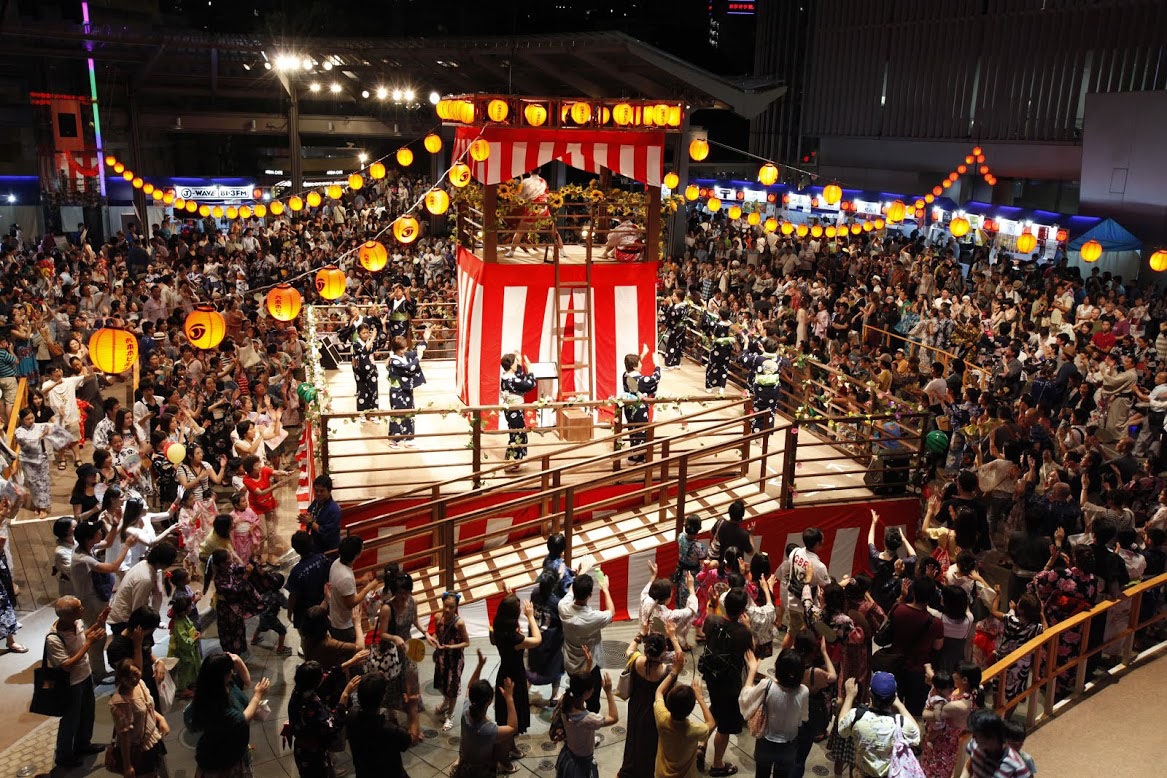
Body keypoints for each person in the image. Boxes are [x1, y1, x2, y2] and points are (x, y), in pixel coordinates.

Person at [186, 653, 272, 778]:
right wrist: (258, 695)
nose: (233, 672)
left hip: (227, 750)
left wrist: (237, 660)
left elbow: (246, 681)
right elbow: (241, 719)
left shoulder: (216, 685)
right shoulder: (214, 700)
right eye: (230, 670)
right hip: (221, 762)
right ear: (224, 674)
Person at [45, 596, 108, 768]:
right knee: (70, 721)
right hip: (71, 684)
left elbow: (81, 637)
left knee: (88, 714)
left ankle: (83, 745)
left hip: (85, 676)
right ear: (68, 615)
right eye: (79, 608)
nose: (83, 609)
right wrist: (89, 644)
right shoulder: (53, 638)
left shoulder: (76, 623)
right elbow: (66, 665)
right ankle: (63, 756)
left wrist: (98, 624)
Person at [698, 587, 754, 777]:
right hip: (729, 684)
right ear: (742, 610)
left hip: (711, 677)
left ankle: (701, 745)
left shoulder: (711, 620)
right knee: (725, 726)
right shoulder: (742, 633)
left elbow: (709, 625)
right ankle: (717, 765)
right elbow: (752, 653)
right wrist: (748, 627)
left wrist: (713, 604)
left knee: (715, 709)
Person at [71, 521, 136, 680]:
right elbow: (113, 567)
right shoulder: (83, 558)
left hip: (96, 597)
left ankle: (98, 669)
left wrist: (114, 526)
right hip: (91, 601)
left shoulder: (85, 547)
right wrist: (126, 546)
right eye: (97, 531)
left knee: (99, 634)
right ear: (88, 538)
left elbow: (108, 542)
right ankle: (98, 672)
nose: (100, 532)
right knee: (97, 636)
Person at [616, 624, 682, 778]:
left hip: (636, 706)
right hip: (656, 711)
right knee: (652, 743)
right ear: (664, 650)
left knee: (633, 738)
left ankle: (629, 768)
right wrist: (673, 636)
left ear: (645, 649)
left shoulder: (636, 661)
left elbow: (629, 651)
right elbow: (680, 657)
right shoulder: (668, 671)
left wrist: (641, 634)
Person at [738, 648, 809, 778]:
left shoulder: (767, 685)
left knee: (761, 774)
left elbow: (745, 698)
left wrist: (753, 670)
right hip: (789, 745)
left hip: (766, 743)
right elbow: (803, 717)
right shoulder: (804, 691)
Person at [836, 673, 922, 778]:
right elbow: (916, 736)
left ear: (870, 693)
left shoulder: (857, 716)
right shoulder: (900, 723)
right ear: (894, 696)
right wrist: (900, 704)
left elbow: (841, 729)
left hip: (862, 774)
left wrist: (849, 697)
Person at [492, 593, 542, 770]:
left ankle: (511, 748)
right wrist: (530, 617)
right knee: (511, 719)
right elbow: (537, 640)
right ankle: (504, 761)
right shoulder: (514, 638)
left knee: (507, 716)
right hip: (514, 679)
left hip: (504, 673)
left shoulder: (498, 626)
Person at [286, 660, 359, 778]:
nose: (324, 676)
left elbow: (327, 674)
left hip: (300, 750)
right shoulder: (312, 705)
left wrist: (349, 663)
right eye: (321, 675)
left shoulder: (298, 691)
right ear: (316, 682)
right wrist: (345, 696)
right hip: (313, 754)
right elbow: (332, 725)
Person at [455, 649, 519, 778]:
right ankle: (506, 764)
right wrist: (509, 698)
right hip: (480, 771)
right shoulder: (488, 729)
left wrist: (479, 665)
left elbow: (469, 687)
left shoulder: (465, 711)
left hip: (465, 761)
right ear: (489, 701)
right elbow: (513, 727)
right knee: (503, 740)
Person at [653, 647, 714, 778]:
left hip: (661, 774)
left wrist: (674, 671)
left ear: (668, 702)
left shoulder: (661, 717)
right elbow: (711, 723)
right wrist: (700, 697)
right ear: (691, 708)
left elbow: (659, 692)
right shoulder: (693, 730)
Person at [559, 572, 613, 715]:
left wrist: (579, 575)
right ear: (590, 594)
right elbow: (611, 612)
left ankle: (574, 714)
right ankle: (589, 726)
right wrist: (605, 589)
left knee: (576, 692)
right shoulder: (593, 618)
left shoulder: (562, 607)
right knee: (593, 700)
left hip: (570, 662)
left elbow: (570, 591)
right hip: (590, 665)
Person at [108, 658, 169, 778]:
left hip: (153, 740)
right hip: (138, 750)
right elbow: (124, 736)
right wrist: (128, 766)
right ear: (121, 679)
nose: (134, 679)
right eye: (128, 677)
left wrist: (160, 718)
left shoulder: (140, 684)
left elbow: (146, 708)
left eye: (136, 673)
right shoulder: (120, 702)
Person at [345, 672, 413, 778]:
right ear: (383, 697)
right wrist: (411, 709)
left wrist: (345, 694)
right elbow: (408, 740)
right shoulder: (392, 731)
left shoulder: (350, 716)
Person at [554, 669, 619, 778]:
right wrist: (608, 692)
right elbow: (614, 717)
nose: (593, 689)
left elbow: (579, 683)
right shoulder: (589, 719)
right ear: (586, 693)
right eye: (592, 688)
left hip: (568, 754)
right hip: (582, 763)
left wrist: (588, 666)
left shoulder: (565, 699)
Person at [107, 542, 178, 635]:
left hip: (125, 616)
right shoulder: (145, 578)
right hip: (123, 621)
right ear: (165, 563)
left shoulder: (145, 564)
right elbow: (138, 610)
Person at [206, 549, 263, 654]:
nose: (231, 560)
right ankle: (231, 655)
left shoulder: (229, 568)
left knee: (239, 629)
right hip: (226, 609)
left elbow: (239, 568)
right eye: (229, 558)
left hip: (235, 608)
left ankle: (238, 651)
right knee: (229, 632)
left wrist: (252, 563)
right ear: (222, 564)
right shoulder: (219, 579)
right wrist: (246, 576)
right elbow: (235, 590)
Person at [428, 591, 470, 731]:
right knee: (439, 684)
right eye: (446, 606)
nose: (447, 609)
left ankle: (450, 715)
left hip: (454, 660)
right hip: (441, 657)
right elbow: (436, 633)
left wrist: (451, 646)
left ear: (456, 607)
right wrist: (433, 639)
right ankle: (446, 701)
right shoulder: (437, 617)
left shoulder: (459, 623)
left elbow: (466, 643)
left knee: (452, 689)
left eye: (451, 607)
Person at [783, 527, 831, 646]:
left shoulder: (795, 552)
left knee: (791, 632)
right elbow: (828, 588)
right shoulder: (819, 566)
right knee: (809, 637)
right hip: (807, 607)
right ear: (817, 544)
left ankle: (783, 657)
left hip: (792, 600)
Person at [327, 536, 380, 642]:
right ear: (357, 555)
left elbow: (342, 585)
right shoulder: (345, 576)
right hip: (344, 626)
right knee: (350, 653)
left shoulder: (337, 562)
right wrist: (368, 587)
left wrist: (360, 581)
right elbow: (350, 603)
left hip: (336, 616)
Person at [527, 569, 566, 705]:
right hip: (551, 640)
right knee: (556, 670)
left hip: (535, 635)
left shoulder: (534, 593)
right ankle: (554, 697)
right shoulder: (556, 603)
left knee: (532, 667)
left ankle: (524, 693)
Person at [959, 710, 1033, 778]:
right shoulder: (974, 745)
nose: (974, 738)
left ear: (991, 736)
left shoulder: (1017, 766)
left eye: (977, 734)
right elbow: (971, 763)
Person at [386, 332, 428, 447]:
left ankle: (409, 438)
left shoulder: (404, 356)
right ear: (395, 349)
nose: (404, 351)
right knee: (398, 414)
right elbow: (409, 368)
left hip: (406, 390)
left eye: (404, 348)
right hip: (397, 391)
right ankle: (394, 439)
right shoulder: (394, 361)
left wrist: (425, 341)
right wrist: (419, 357)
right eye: (402, 349)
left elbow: (416, 352)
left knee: (409, 412)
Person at [620, 346, 661, 463]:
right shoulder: (641, 380)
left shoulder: (626, 376)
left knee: (633, 430)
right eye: (640, 363)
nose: (641, 365)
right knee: (641, 431)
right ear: (634, 366)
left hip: (629, 408)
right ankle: (637, 457)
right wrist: (657, 364)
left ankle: (634, 456)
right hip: (639, 409)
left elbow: (634, 368)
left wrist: (642, 354)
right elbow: (655, 379)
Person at [499, 352, 537, 472]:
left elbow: (519, 377)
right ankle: (512, 462)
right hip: (514, 409)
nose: (517, 364)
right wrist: (530, 369)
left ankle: (514, 461)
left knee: (516, 433)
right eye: (515, 362)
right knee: (517, 434)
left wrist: (520, 363)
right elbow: (530, 384)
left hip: (511, 409)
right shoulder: (512, 380)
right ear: (511, 365)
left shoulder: (507, 377)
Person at [287, 529, 331, 633]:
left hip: (304, 612)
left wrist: (289, 612)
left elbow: (292, 595)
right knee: (322, 630)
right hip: (323, 604)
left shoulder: (297, 572)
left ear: (295, 549)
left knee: (305, 635)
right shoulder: (323, 558)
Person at [14, 407, 54, 517]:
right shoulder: (18, 431)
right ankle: (37, 505)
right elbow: (27, 443)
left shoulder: (40, 426)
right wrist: (42, 436)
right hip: (27, 461)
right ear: (21, 420)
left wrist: (62, 416)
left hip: (41, 459)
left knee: (43, 483)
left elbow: (56, 427)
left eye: (32, 418)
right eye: (27, 419)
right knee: (32, 483)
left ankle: (43, 508)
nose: (31, 420)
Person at [250, 571, 291, 655]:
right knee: (282, 630)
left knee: (260, 627)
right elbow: (286, 605)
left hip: (262, 615)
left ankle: (253, 640)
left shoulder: (265, 591)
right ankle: (280, 649)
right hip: (271, 619)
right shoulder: (279, 596)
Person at [168, 594, 201, 696]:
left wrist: (195, 634)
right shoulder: (178, 625)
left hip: (192, 649)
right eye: (190, 606)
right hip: (184, 652)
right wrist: (193, 638)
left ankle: (191, 683)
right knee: (185, 669)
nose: (191, 607)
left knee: (193, 666)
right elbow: (183, 641)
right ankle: (182, 689)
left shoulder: (185, 618)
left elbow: (191, 629)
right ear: (183, 611)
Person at [347, 322, 382, 412]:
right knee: (361, 391)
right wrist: (372, 338)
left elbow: (381, 342)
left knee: (374, 390)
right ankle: (362, 412)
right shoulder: (355, 344)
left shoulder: (372, 342)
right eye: (363, 333)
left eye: (367, 332)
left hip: (371, 369)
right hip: (360, 370)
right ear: (359, 333)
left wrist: (383, 325)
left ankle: (374, 411)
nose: (366, 335)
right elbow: (363, 351)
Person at [304, 475, 341, 555]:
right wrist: (306, 518)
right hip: (315, 545)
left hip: (327, 551)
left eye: (322, 491)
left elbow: (327, 533)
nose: (318, 493)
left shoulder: (334, 510)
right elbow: (311, 514)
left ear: (329, 491)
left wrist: (310, 523)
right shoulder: (316, 502)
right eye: (316, 490)